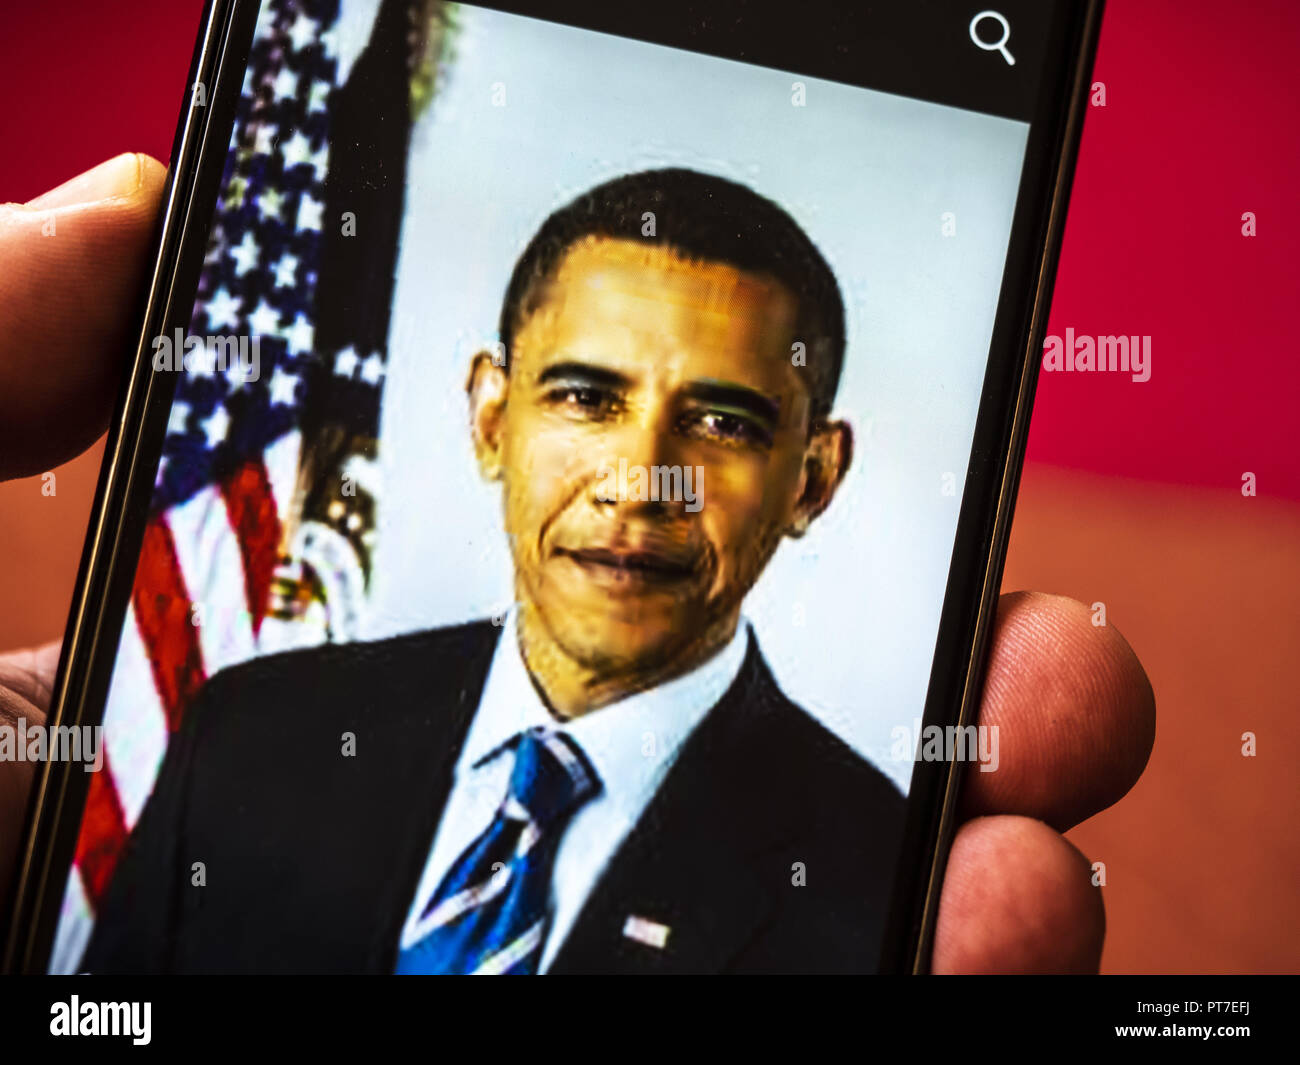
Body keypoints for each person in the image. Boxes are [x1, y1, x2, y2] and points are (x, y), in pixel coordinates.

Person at [0, 155, 1156, 975]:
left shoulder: (872, 886)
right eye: (586, 398)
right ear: (489, 418)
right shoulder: (248, 733)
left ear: (812, 478)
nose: (641, 481)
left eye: (722, 422)